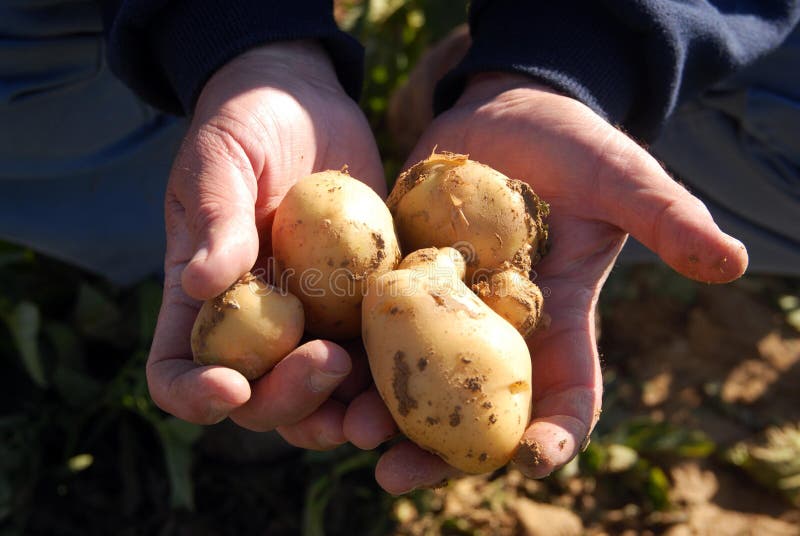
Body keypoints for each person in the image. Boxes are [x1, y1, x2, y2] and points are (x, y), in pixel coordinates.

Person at [1, 1, 797, 496]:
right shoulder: (393, 286)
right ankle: (172, 184)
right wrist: (235, 42)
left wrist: (570, 61)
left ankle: (496, 62)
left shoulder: (417, 283)